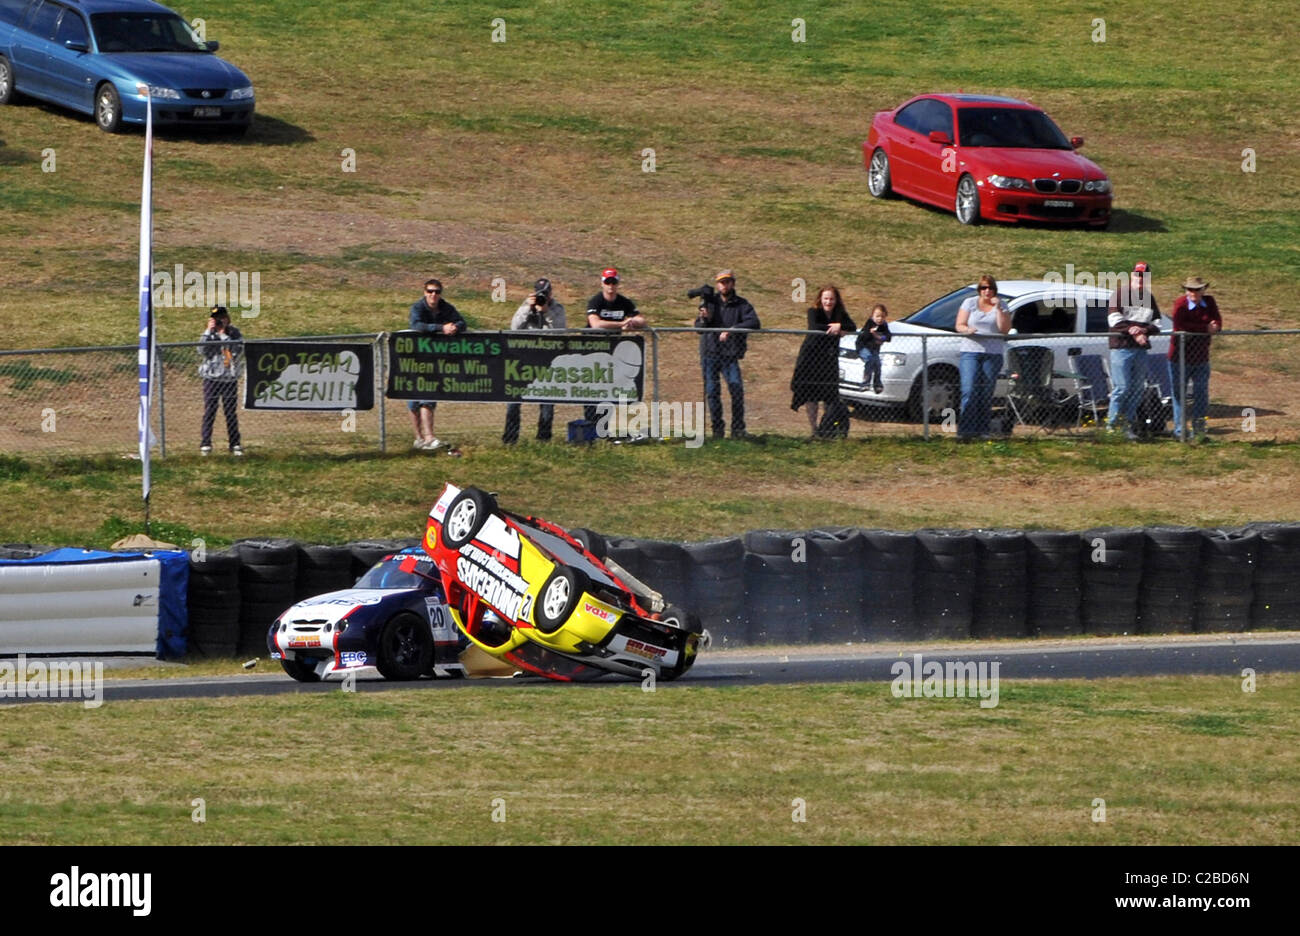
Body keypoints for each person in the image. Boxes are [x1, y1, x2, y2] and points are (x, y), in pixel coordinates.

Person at [695, 270, 761, 439]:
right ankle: (718, 430)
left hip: (730, 355)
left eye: (727, 282)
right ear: (717, 285)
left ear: (733, 283)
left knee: (736, 389)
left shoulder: (741, 304)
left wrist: (732, 330)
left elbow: (754, 322)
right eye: (721, 282)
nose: (724, 285)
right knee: (712, 392)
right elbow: (699, 329)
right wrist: (704, 318)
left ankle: (738, 429)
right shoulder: (710, 302)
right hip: (710, 353)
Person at [407, 278, 467, 451]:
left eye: (437, 292)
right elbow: (416, 325)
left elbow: (462, 322)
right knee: (413, 398)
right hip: (415, 357)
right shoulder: (417, 307)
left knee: (428, 394)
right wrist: (441, 328)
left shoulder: (446, 307)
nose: (434, 295)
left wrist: (455, 327)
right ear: (424, 292)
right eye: (430, 291)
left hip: (436, 359)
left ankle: (429, 437)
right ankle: (418, 438)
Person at [504, 278, 565, 444]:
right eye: (540, 293)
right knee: (514, 400)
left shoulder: (557, 308)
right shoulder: (526, 305)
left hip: (546, 361)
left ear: (551, 293)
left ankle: (543, 439)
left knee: (547, 401)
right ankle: (510, 439)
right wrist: (528, 308)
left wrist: (546, 312)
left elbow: (559, 332)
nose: (542, 296)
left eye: (545, 293)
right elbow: (515, 327)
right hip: (523, 360)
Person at [790, 285, 856, 438]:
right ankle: (814, 429)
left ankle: (827, 428)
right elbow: (815, 326)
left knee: (830, 394)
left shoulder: (840, 314)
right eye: (826, 298)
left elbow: (851, 326)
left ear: (836, 300)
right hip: (811, 358)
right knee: (811, 395)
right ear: (820, 299)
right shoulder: (813, 311)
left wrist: (839, 326)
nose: (828, 302)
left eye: (831, 299)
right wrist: (834, 329)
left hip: (829, 359)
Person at [1107, 261, 1162, 439]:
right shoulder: (1120, 293)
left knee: (1137, 389)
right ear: (1132, 276)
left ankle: (1127, 426)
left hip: (1140, 350)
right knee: (1121, 388)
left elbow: (1157, 322)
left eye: (1144, 276)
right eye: (1137, 275)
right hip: (1121, 349)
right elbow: (1114, 320)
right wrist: (1133, 332)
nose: (1140, 278)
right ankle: (1112, 426)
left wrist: (1145, 331)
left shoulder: (1148, 297)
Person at [955, 275, 1012, 440]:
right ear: (979, 290)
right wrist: (967, 330)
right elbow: (959, 325)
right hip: (970, 351)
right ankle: (965, 431)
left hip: (992, 354)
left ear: (994, 290)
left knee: (985, 392)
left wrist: (999, 309)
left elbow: (1004, 329)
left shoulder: (1002, 305)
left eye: (990, 288)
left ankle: (982, 430)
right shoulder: (969, 303)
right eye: (983, 288)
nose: (986, 291)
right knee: (969, 390)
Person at [584, 268, 645, 422]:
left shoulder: (624, 302)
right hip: (593, 351)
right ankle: (590, 425)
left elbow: (642, 320)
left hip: (611, 353)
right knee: (591, 389)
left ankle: (604, 427)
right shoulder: (596, 301)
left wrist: (632, 322)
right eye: (607, 282)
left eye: (613, 282)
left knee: (608, 390)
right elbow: (595, 324)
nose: (610, 286)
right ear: (602, 283)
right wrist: (620, 324)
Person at [1168, 275, 1222, 441]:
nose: (1194, 293)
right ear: (1186, 290)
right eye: (1190, 289)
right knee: (1179, 396)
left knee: (1201, 395)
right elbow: (1180, 326)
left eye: (1197, 290)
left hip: (1201, 357)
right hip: (1180, 358)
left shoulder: (1210, 302)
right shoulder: (1180, 304)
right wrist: (1205, 328)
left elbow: (1218, 320)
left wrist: (1215, 326)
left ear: (1203, 290)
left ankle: (1199, 431)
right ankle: (1180, 431)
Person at [198, 305, 243, 456]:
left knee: (230, 412)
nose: (219, 322)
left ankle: (235, 444)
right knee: (210, 411)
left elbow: (237, 350)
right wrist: (208, 331)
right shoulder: (209, 334)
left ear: (228, 319)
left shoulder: (234, 333)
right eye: (216, 319)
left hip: (229, 378)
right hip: (212, 378)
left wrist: (223, 335)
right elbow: (202, 351)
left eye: (222, 318)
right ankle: (206, 444)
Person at [855, 303, 892, 395]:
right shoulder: (870, 323)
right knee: (870, 360)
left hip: (874, 350)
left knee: (878, 364)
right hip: (863, 347)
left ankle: (877, 385)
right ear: (872, 316)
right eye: (877, 316)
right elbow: (864, 337)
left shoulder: (884, 325)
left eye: (882, 316)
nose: (879, 319)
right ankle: (865, 383)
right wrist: (871, 334)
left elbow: (888, 336)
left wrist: (881, 338)